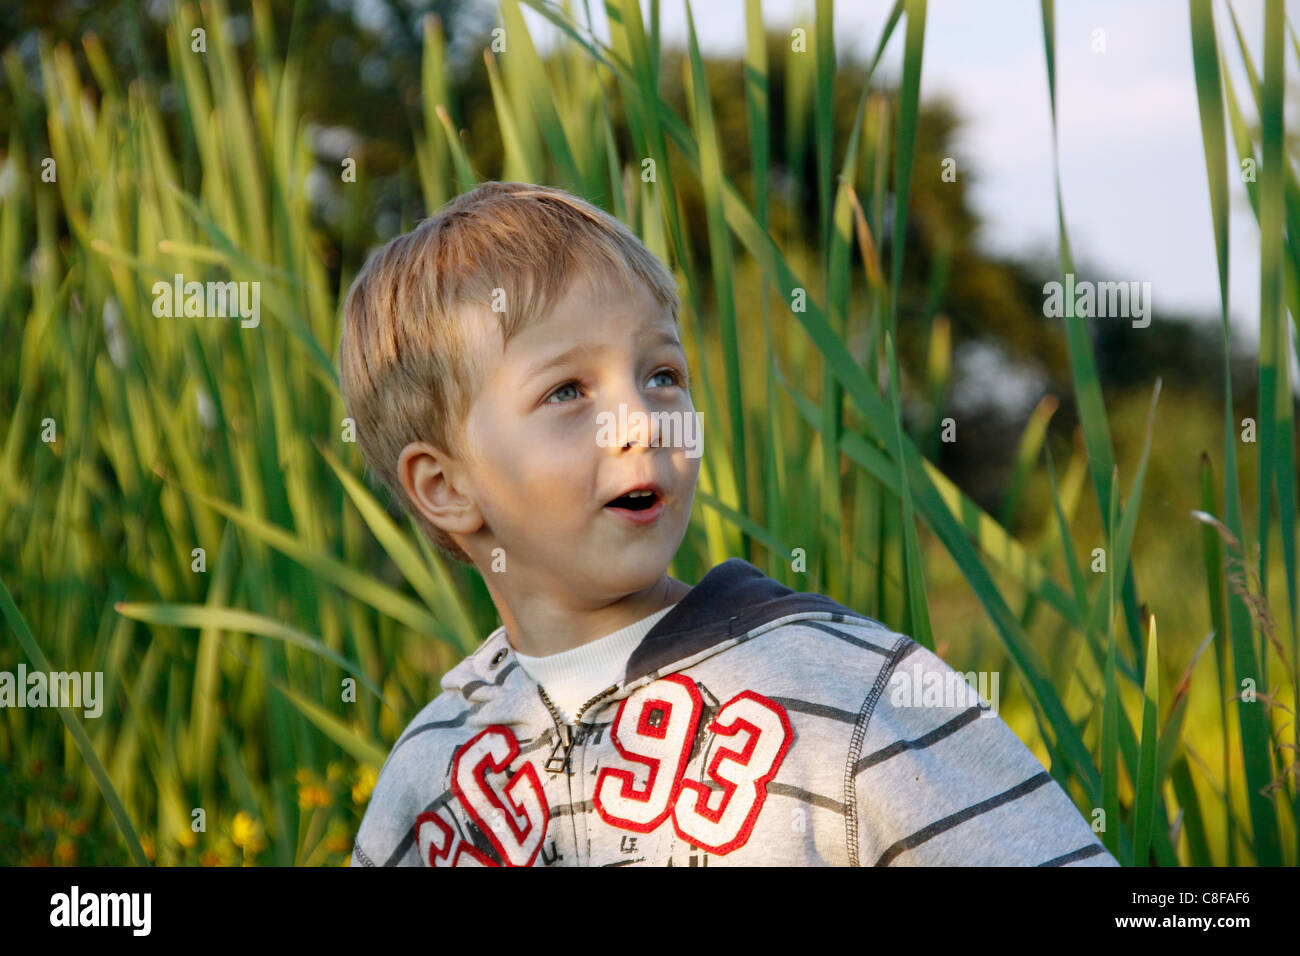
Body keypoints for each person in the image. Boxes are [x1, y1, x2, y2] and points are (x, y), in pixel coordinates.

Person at [338, 181, 1116, 867]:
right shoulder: (432, 776)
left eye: (662, 375)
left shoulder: (842, 689)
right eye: (568, 391)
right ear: (445, 488)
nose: (642, 422)